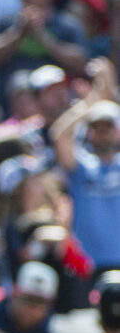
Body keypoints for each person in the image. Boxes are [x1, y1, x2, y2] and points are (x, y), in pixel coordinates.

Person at [51, 57, 120, 274]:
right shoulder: (81, 167)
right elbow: (59, 135)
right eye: (97, 129)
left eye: (108, 128)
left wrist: (110, 87)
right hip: (86, 266)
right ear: (89, 133)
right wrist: (94, 99)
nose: (103, 134)